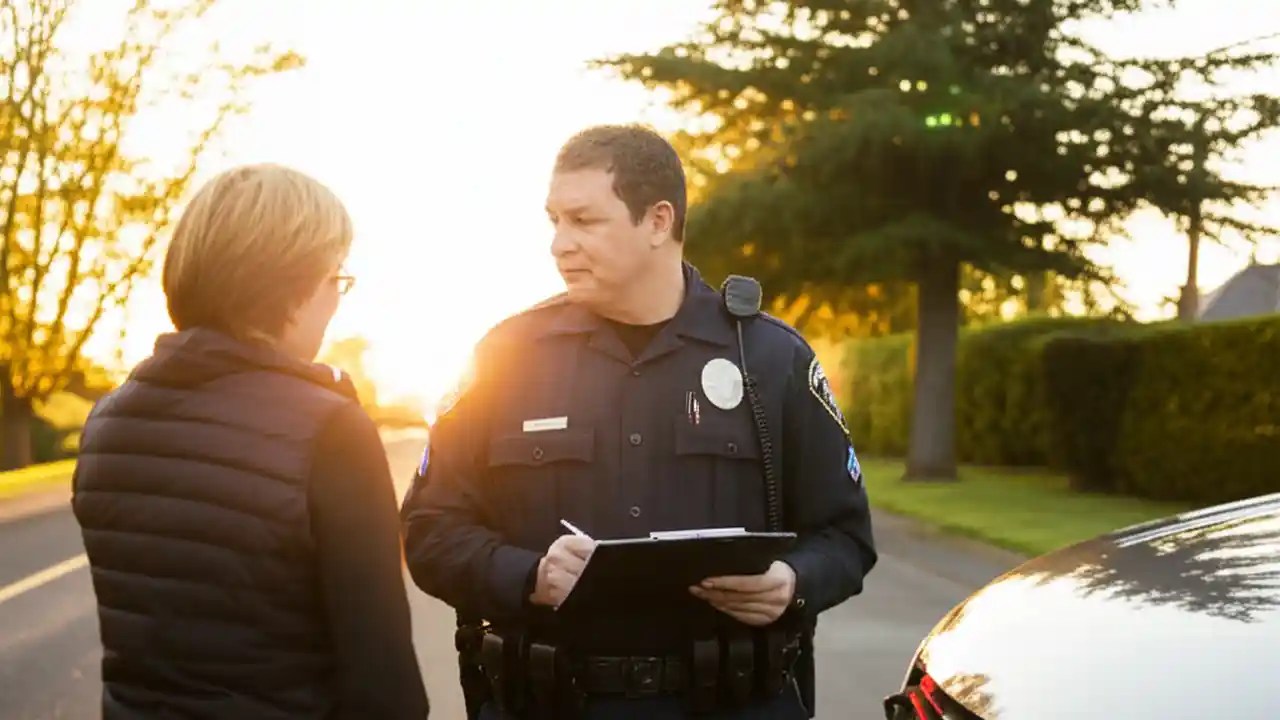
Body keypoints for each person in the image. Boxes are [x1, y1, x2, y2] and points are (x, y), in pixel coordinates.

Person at [401, 124, 876, 719]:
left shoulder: (771, 359)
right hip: (550, 705)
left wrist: (793, 581)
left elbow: (846, 535)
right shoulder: (504, 357)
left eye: (584, 220)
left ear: (657, 221)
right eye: (554, 221)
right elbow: (429, 526)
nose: (559, 244)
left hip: (728, 703)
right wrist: (528, 576)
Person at [71, 164, 429, 720]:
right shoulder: (329, 430)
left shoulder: (108, 421)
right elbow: (384, 687)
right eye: (336, 279)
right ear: (294, 286)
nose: (336, 302)